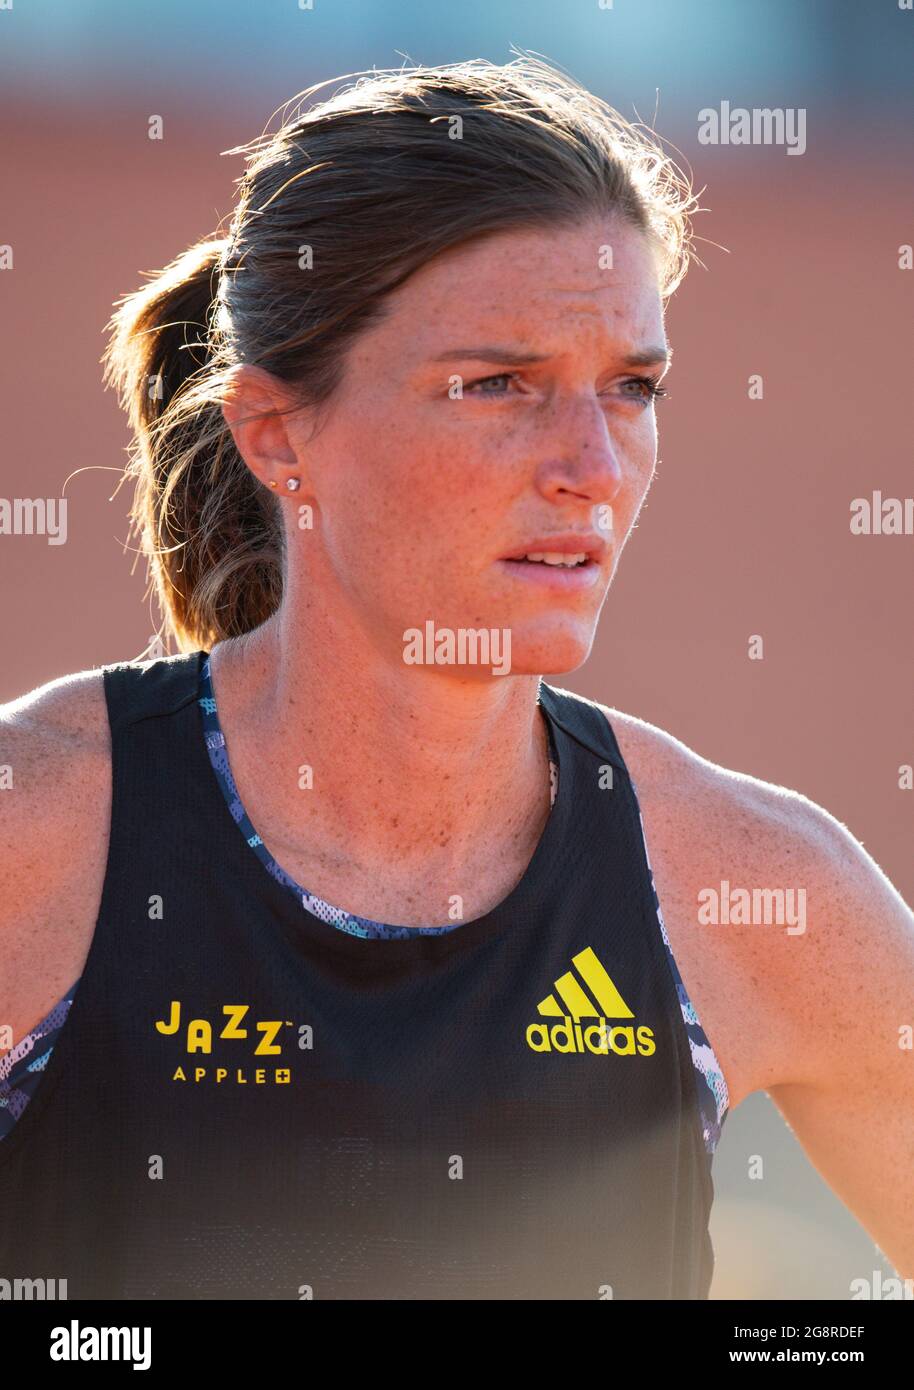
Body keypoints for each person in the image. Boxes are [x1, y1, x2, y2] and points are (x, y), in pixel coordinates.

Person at [1, 56, 911, 1301]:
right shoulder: (40, 831)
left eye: (630, 389)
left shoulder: (752, 888)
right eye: (496, 384)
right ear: (275, 432)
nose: (590, 464)